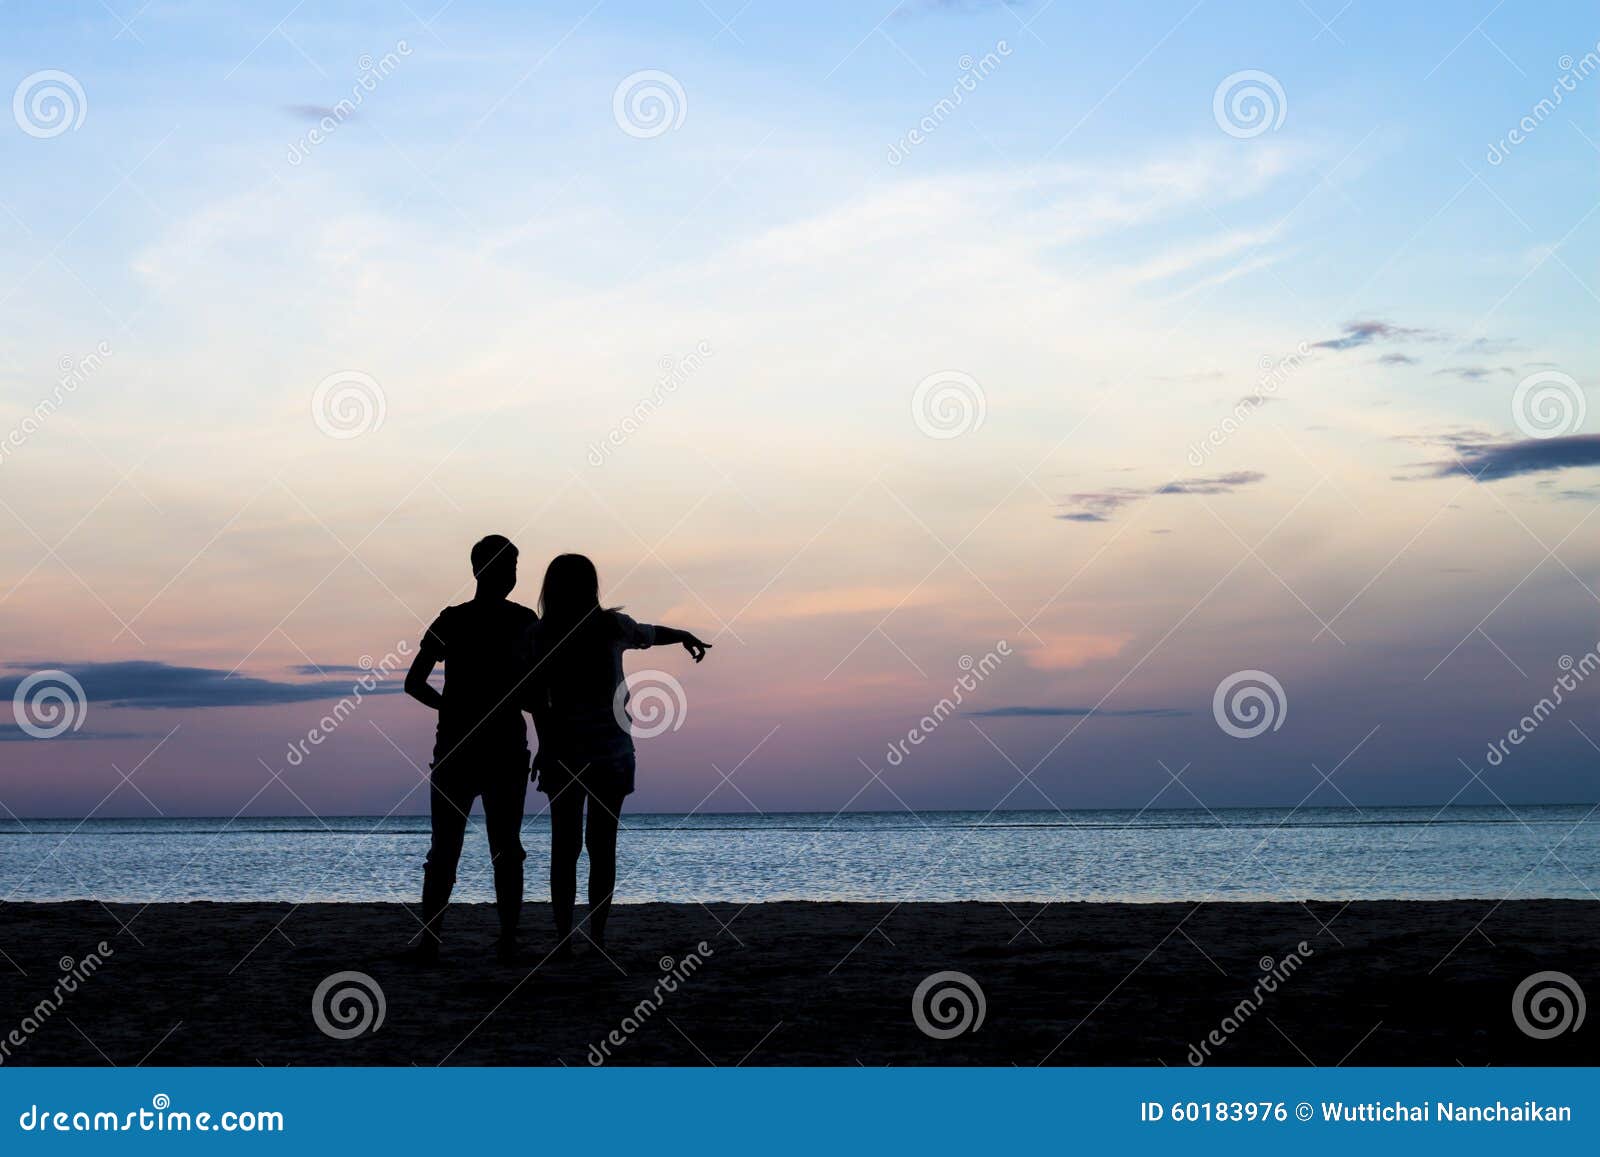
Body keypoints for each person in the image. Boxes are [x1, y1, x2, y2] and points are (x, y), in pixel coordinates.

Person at [526, 553, 710, 957]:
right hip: (607, 753)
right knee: (598, 847)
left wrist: (544, 744)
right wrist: (683, 634)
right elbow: (651, 633)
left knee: (568, 847)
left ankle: (567, 938)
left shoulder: (543, 634)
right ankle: (594, 936)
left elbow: (535, 698)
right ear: (591, 586)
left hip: (567, 754)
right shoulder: (609, 627)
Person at [403, 534, 538, 964]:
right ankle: (500, 940)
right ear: (485, 570)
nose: (513, 574)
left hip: (472, 748)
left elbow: (414, 683)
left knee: (456, 849)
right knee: (495, 848)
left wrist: (451, 706)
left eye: (515, 566)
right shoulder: (512, 621)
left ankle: (438, 940)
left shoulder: (464, 620)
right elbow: (415, 682)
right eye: (508, 566)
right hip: (480, 749)